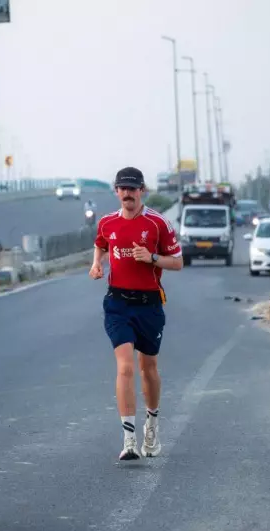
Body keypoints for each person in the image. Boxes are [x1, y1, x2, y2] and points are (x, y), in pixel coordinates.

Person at [89, 166, 183, 460]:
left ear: (142, 190)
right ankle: (129, 439)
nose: (128, 194)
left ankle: (151, 425)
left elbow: (178, 262)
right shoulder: (107, 223)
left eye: (133, 188)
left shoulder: (158, 224)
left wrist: (152, 258)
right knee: (125, 367)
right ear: (116, 192)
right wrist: (96, 264)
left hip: (149, 304)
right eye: (123, 188)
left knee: (148, 369)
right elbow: (100, 244)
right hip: (117, 303)